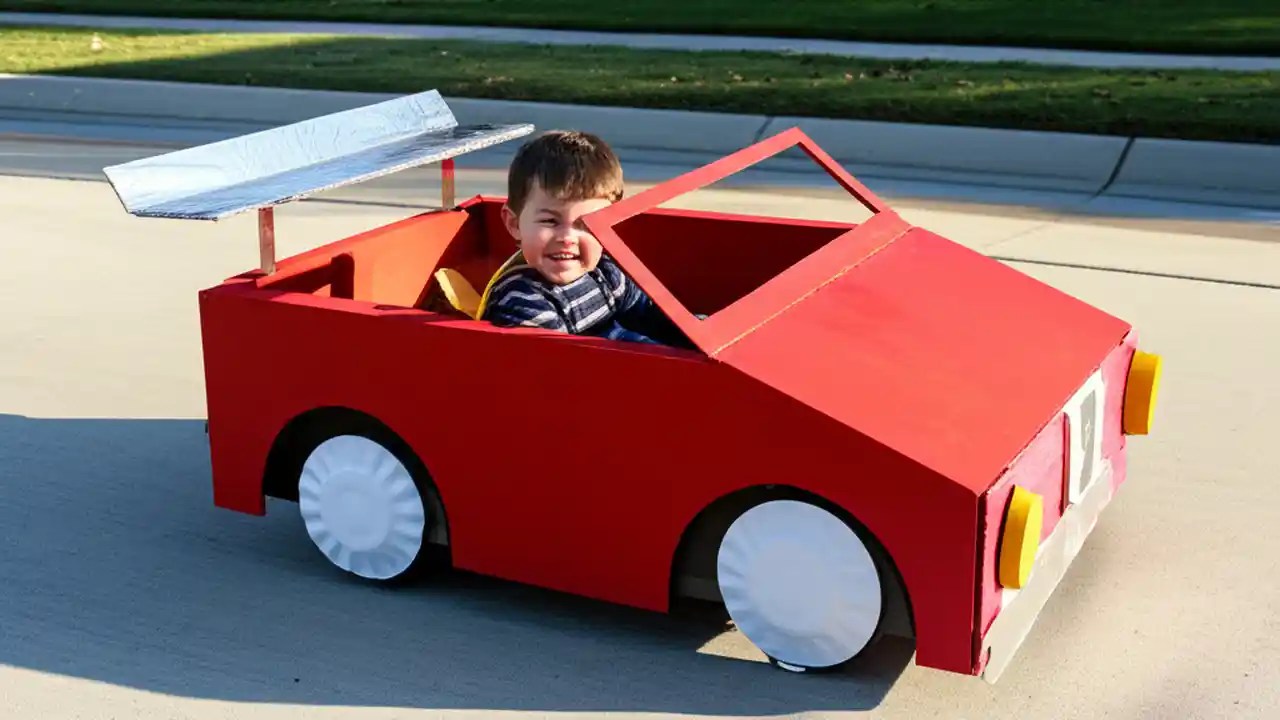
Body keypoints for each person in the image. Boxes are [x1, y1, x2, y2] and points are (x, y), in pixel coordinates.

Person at [482, 130, 691, 347]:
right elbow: (559, 363)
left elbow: (650, 315)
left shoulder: (607, 273)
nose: (567, 237)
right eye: (550, 222)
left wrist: (691, 337)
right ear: (514, 224)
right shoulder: (521, 298)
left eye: (587, 224)